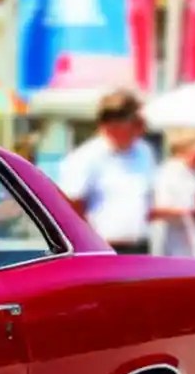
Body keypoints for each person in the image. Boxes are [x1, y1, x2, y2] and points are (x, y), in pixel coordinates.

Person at [57, 89, 157, 254]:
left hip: (139, 246)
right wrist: (91, 241)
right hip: (102, 248)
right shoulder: (86, 157)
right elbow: (71, 204)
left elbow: (146, 200)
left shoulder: (144, 152)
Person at [149, 129, 195, 259]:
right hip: (169, 240)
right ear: (184, 149)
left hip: (190, 240)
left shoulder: (194, 172)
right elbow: (157, 208)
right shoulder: (167, 172)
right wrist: (186, 210)